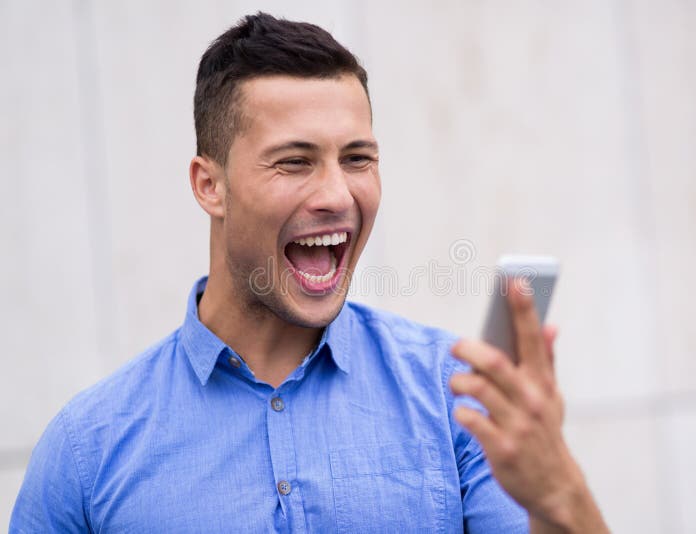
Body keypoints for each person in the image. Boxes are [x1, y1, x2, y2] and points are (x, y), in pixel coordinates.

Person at [11, 12, 608, 533]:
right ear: (209, 185)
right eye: (295, 162)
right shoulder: (87, 451)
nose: (336, 194)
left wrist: (558, 489)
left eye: (357, 159)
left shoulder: (456, 397)